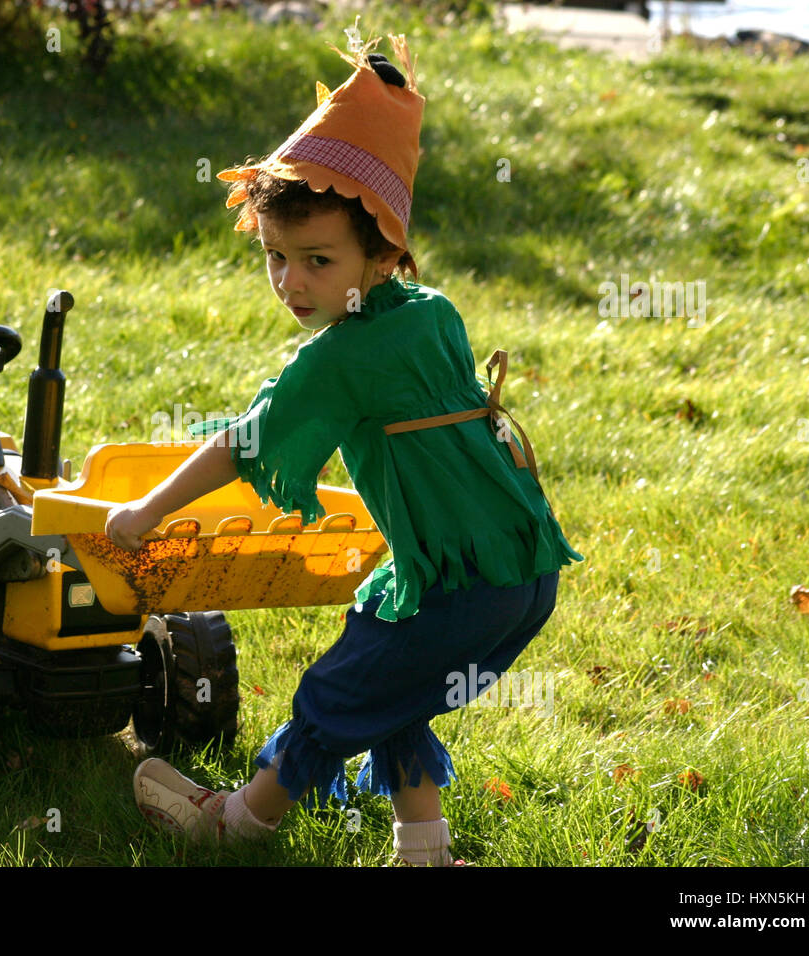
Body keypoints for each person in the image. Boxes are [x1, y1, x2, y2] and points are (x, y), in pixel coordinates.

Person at [104, 32, 585, 866]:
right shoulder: (430, 310)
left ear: (384, 251)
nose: (292, 283)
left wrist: (145, 511)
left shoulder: (339, 360)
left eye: (317, 261)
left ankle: (238, 822)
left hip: (466, 582)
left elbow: (243, 444)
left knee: (339, 691)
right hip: (517, 567)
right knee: (390, 675)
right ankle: (422, 847)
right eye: (275, 258)